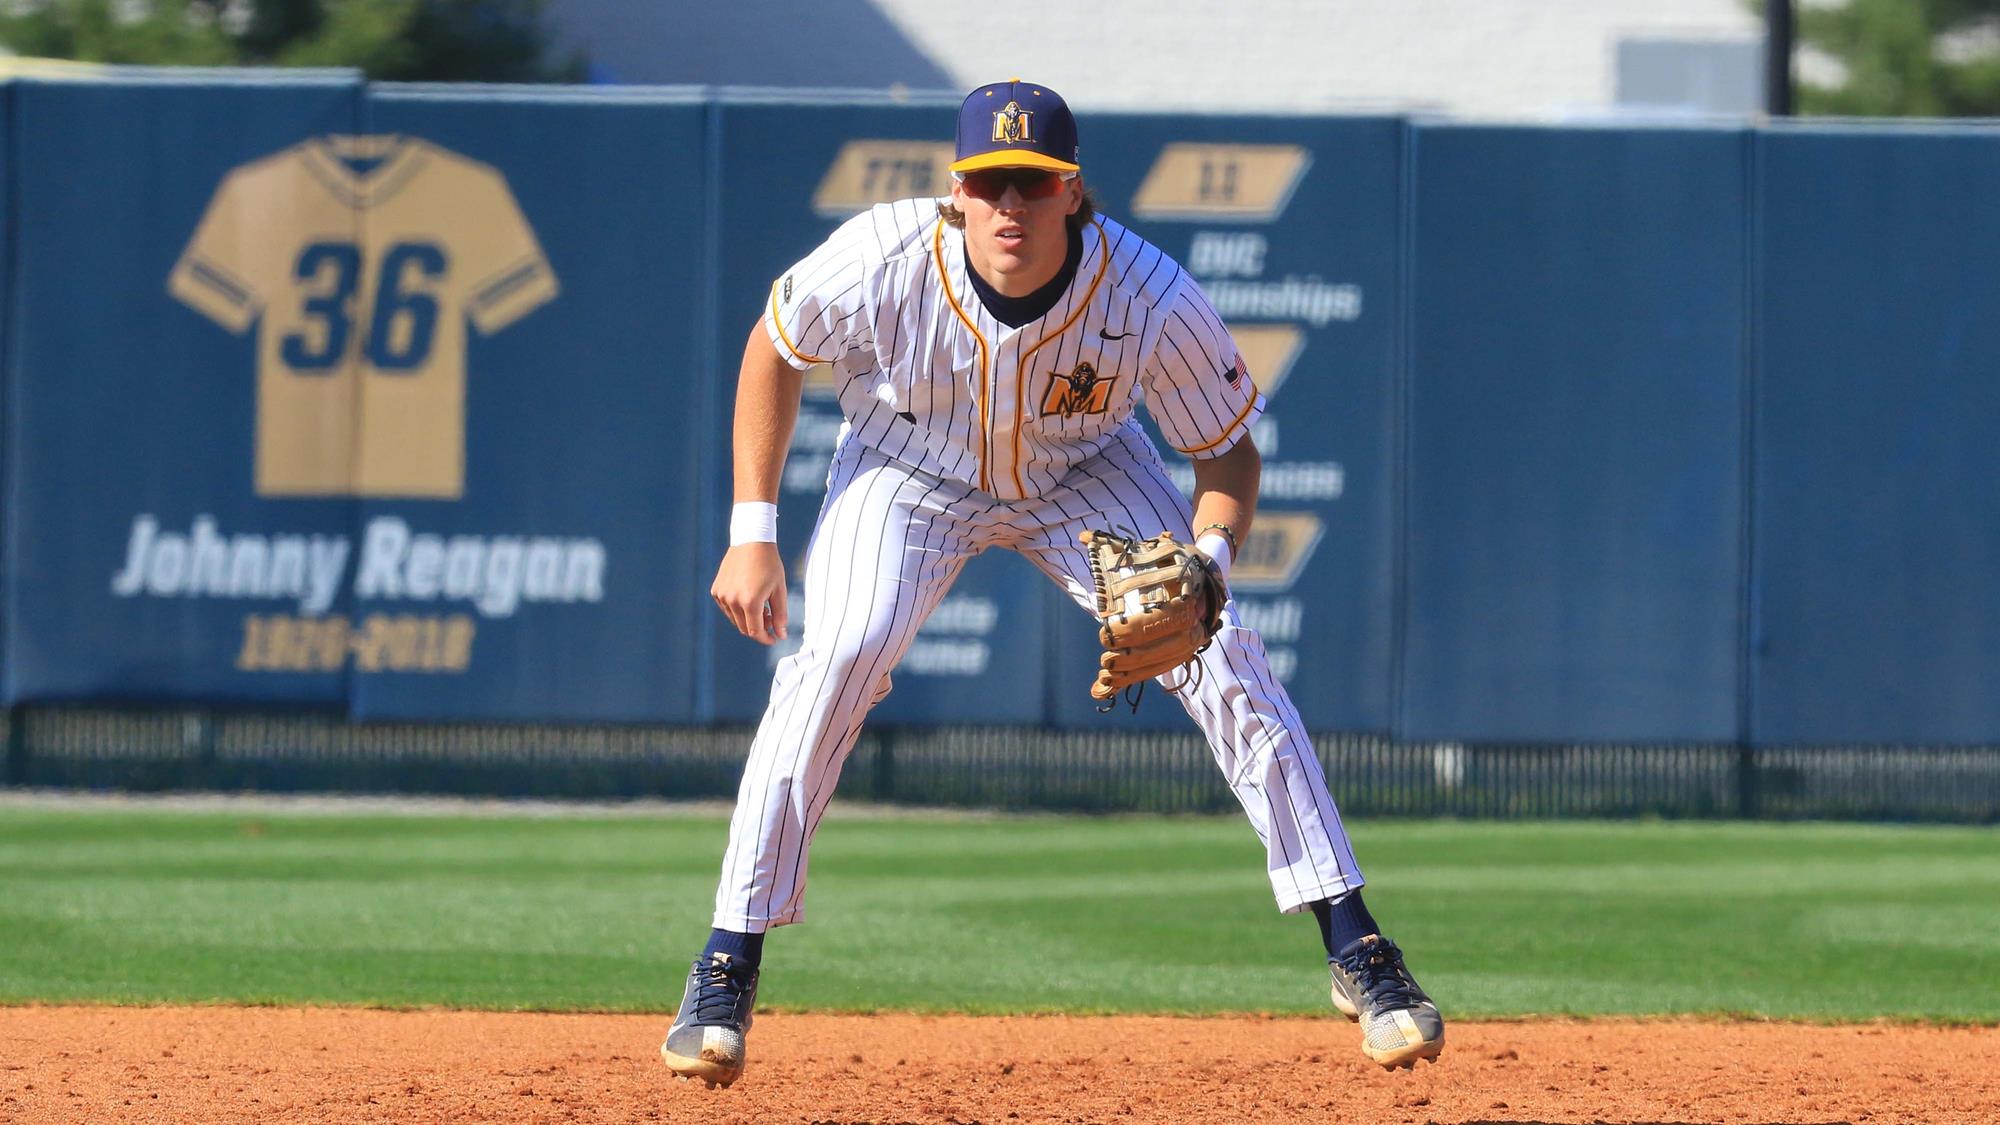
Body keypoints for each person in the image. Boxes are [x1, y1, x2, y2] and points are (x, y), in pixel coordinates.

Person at [662, 79, 1443, 1087]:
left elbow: (1227, 455)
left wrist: (1206, 566)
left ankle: (1357, 949)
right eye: (987, 185)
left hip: (1081, 474)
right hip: (905, 469)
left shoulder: (1147, 295)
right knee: (834, 661)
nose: (1008, 209)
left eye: (1032, 185)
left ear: (1072, 192)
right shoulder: (885, 255)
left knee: (1222, 660)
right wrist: (751, 530)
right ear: (955, 191)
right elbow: (775, 347)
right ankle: (726, 961)